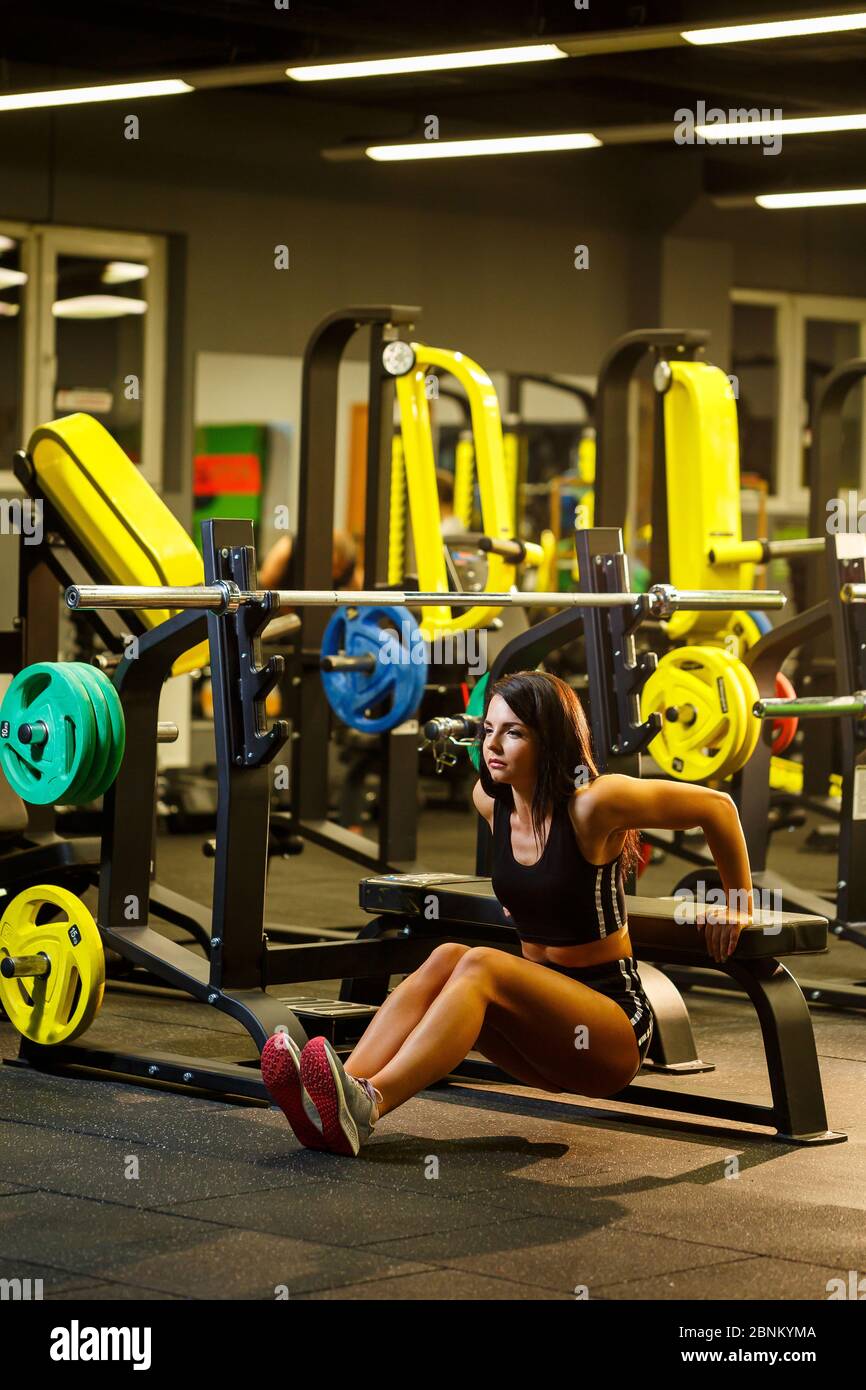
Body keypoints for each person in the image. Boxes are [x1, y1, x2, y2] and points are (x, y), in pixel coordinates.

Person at [260, 670, 754, 1156]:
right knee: (448, 955)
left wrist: (737, 903)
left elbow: (718, 807)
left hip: (610, 1032)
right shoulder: (492, 803)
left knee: (480, 962)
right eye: (488, 730)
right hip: (540, 1036)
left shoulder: (594, 804)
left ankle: (368, 1103)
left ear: (552, 741)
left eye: (513, 732)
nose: (493, 745)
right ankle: (340, 1094)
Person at [258, 528, 363, 593]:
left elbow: (361, 591)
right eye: (334, 566)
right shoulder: (287, 550)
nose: (336, 574)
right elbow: (265, 581)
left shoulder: (347, 564)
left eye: (341, 569)